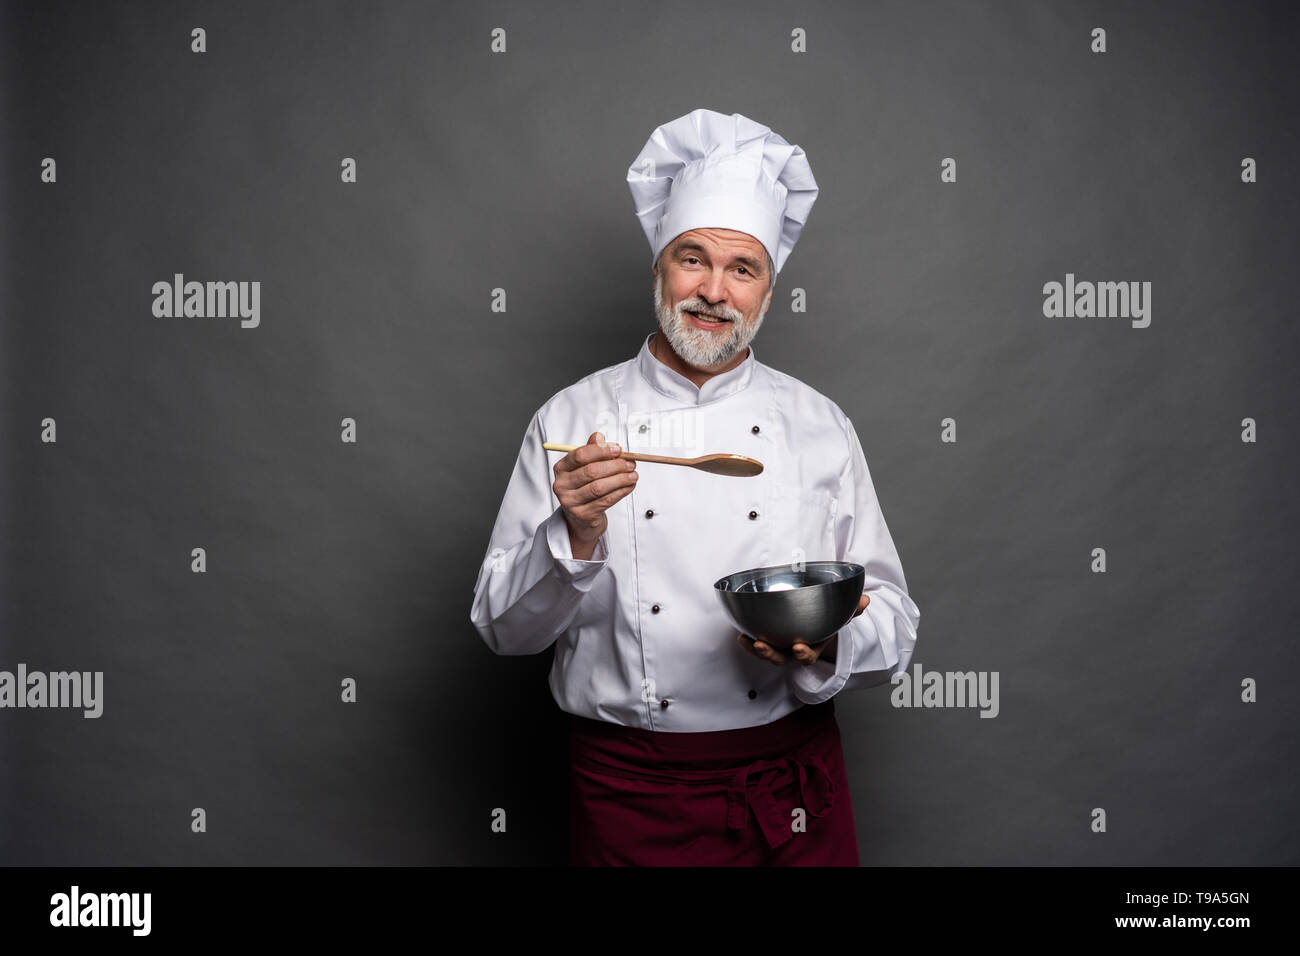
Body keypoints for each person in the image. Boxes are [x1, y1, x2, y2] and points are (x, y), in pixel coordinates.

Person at [470, 108, 920, 865]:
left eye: (742, 269)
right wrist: (571, 534)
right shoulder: (573, 417)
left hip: (790, 787)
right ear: (658, 269)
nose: (713, 291)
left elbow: (896, 624)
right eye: (692, 259)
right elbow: (501, 628)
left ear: (768, 292)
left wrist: (827, 643)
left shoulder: (818, 424)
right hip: (630, 793)